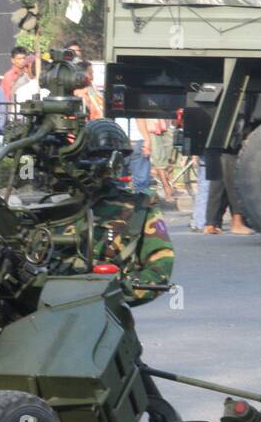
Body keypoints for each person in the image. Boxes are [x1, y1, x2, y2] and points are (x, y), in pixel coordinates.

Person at [49, 119, 174, 305]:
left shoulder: (139, 208)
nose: (101, 166)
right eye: (94, 157)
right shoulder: (56, 208)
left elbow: (160, 268)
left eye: (108, 158)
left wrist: (117, 288)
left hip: (104, 309)